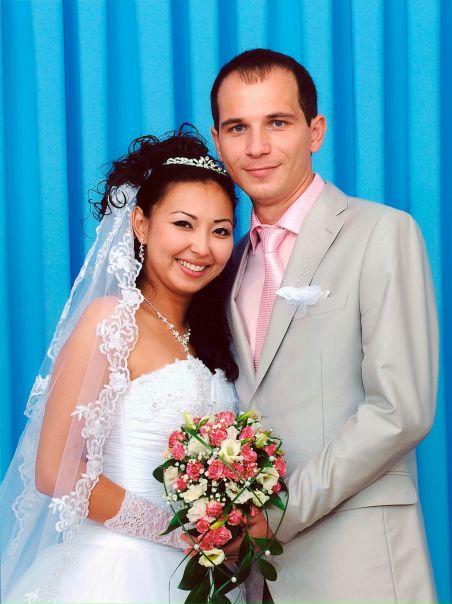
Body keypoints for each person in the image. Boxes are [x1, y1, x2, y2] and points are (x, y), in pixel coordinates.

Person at [210, 49, 438, 604]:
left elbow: (401, 410)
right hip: (256, 581)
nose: (256, 147)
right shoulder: (225, 265)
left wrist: (278, 513)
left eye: (277, 123)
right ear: (218, 141)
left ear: (315, 131)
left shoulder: (382, 232)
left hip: (359, 569)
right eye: (238, 127)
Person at [0, 127, 246, 604]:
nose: (202, 246)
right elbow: (54, 470)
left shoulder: (213, 337)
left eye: (220, 230)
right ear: (140, 224)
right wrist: (179, 533)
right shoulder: (110, 321)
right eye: (184, 224)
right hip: (118, 572)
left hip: (203, 577)